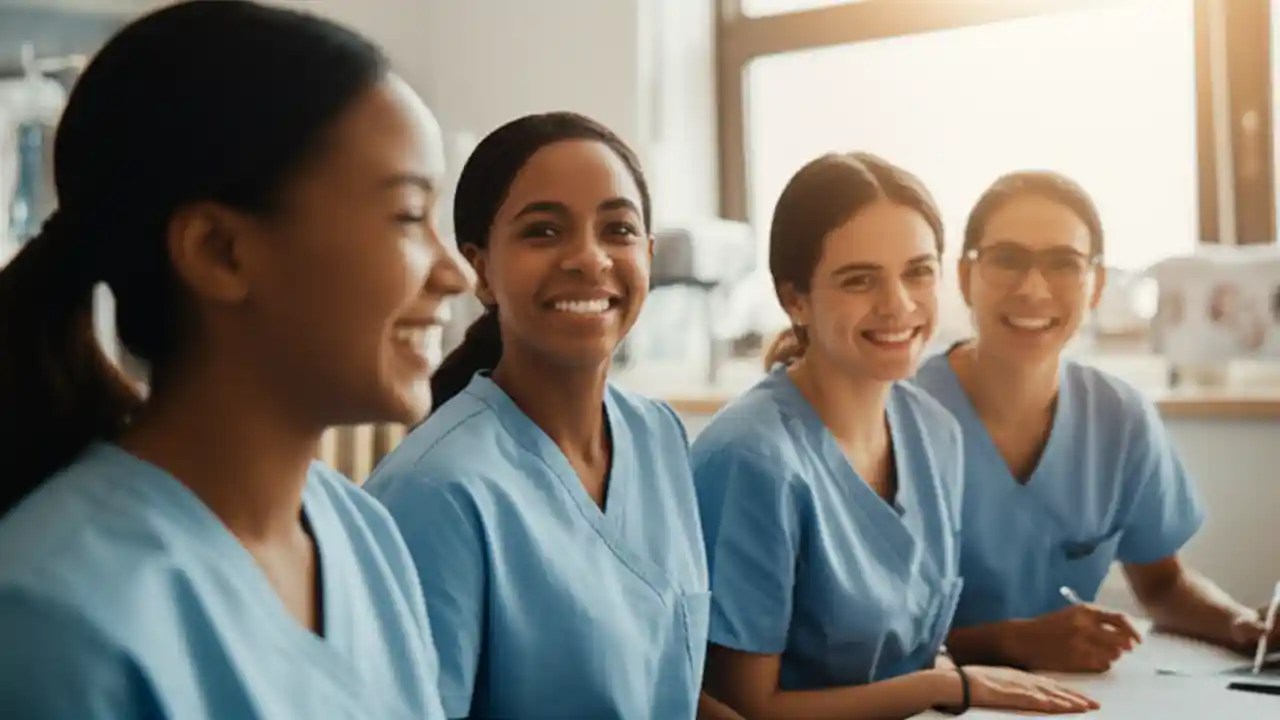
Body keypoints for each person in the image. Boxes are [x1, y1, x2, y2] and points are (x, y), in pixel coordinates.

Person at [0, 2, 467, 717]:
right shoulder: (56, 618)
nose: (455, 274)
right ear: (221, 251)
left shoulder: (363, 536)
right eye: (408, 216)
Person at [692, 152, 1096, 719]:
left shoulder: (934, 433)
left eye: (918, 272)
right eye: (859, 280)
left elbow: (912, 650)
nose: (898, 305)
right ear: (795, 299)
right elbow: (746, 708)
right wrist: (945, 688)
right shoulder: (751, 460)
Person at [367, 112, 738, 719]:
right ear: (480, 269)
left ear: (648, 253)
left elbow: (663, 680)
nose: (589, 259)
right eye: (543, 232)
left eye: (617, 229)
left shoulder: (658, 435)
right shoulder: (433, 491)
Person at [914, 170, 1280, 672]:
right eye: (1006, 259)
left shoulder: (1119, 418)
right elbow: (851, 631)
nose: (1033, 288)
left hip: (1074, 697)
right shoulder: (896, 415)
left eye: (1063, 264)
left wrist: (1243, 626)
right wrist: (1007, 642)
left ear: (1096, 285)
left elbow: (1164, 586)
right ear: (964, 277)